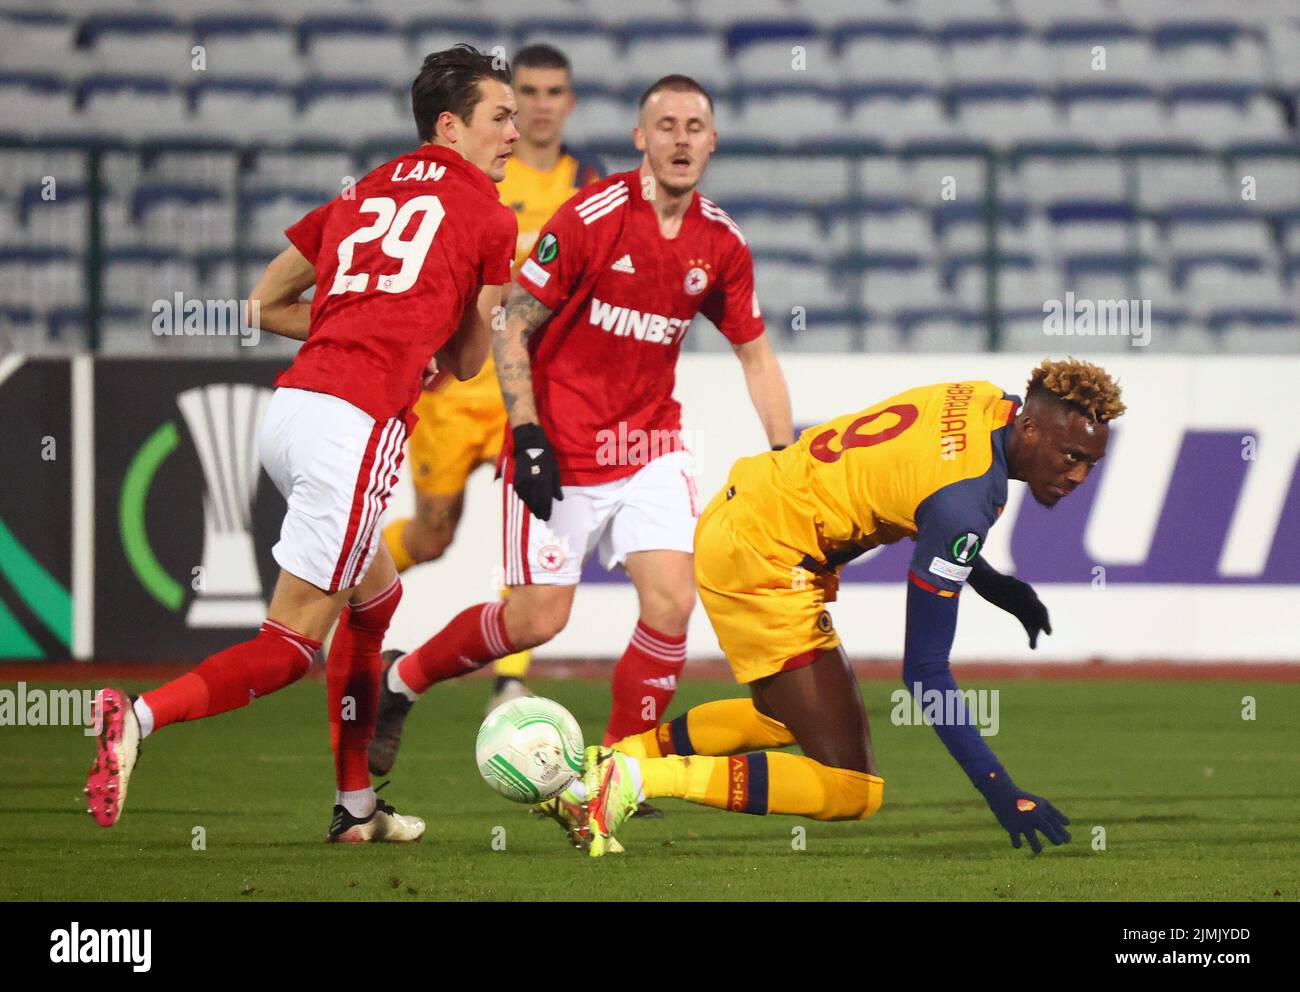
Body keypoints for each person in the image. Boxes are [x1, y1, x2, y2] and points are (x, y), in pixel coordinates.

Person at [84, 45, 520, 843]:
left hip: (290, 412)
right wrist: (474, 312)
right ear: (451, 126)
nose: (514, 134)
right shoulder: (492, 216)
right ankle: (137, 718)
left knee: (378, 598)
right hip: (355, 428)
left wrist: (355, 324)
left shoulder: (362, 192)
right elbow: (464, 365)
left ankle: (355, 809)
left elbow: (262, 302)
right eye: (500, 117)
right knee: (289, 647)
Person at [368, 76, 795, 801]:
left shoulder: (720, 242)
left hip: (650, 446)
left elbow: (755, 353)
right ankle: (401, 680)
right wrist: (528, 433)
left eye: (696, 125)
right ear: (641, 139)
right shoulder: (594, 218)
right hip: (562, 447)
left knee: (672, 602)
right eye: (666, 125)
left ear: (713, 142)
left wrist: (786, 461)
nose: (682, 138)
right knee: (537, 619)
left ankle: (615, 774)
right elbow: (512, 325)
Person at [569, 359, 1126, 857]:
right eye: (1072, 456)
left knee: (779, 717)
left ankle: (596, 768)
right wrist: (1001, 791)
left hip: (744, 514)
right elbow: (925, 672)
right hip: (767, 558)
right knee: (851, 790)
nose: (1078, 475)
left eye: (1091, 464)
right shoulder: (967, 500)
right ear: (1030, 429)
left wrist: (988, 580)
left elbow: (914, 483)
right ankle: (633, 782)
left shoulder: (982, 398)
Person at [380, 43, 604, 717]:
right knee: (430, 536)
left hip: (528, 397)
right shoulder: (479, 177)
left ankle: (511, 678)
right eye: (526, 92)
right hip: (455, 391)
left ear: (569, 101)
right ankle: (344, 589)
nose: (538, 105)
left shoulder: (587, 187)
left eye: (552, 92)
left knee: (536, 532)